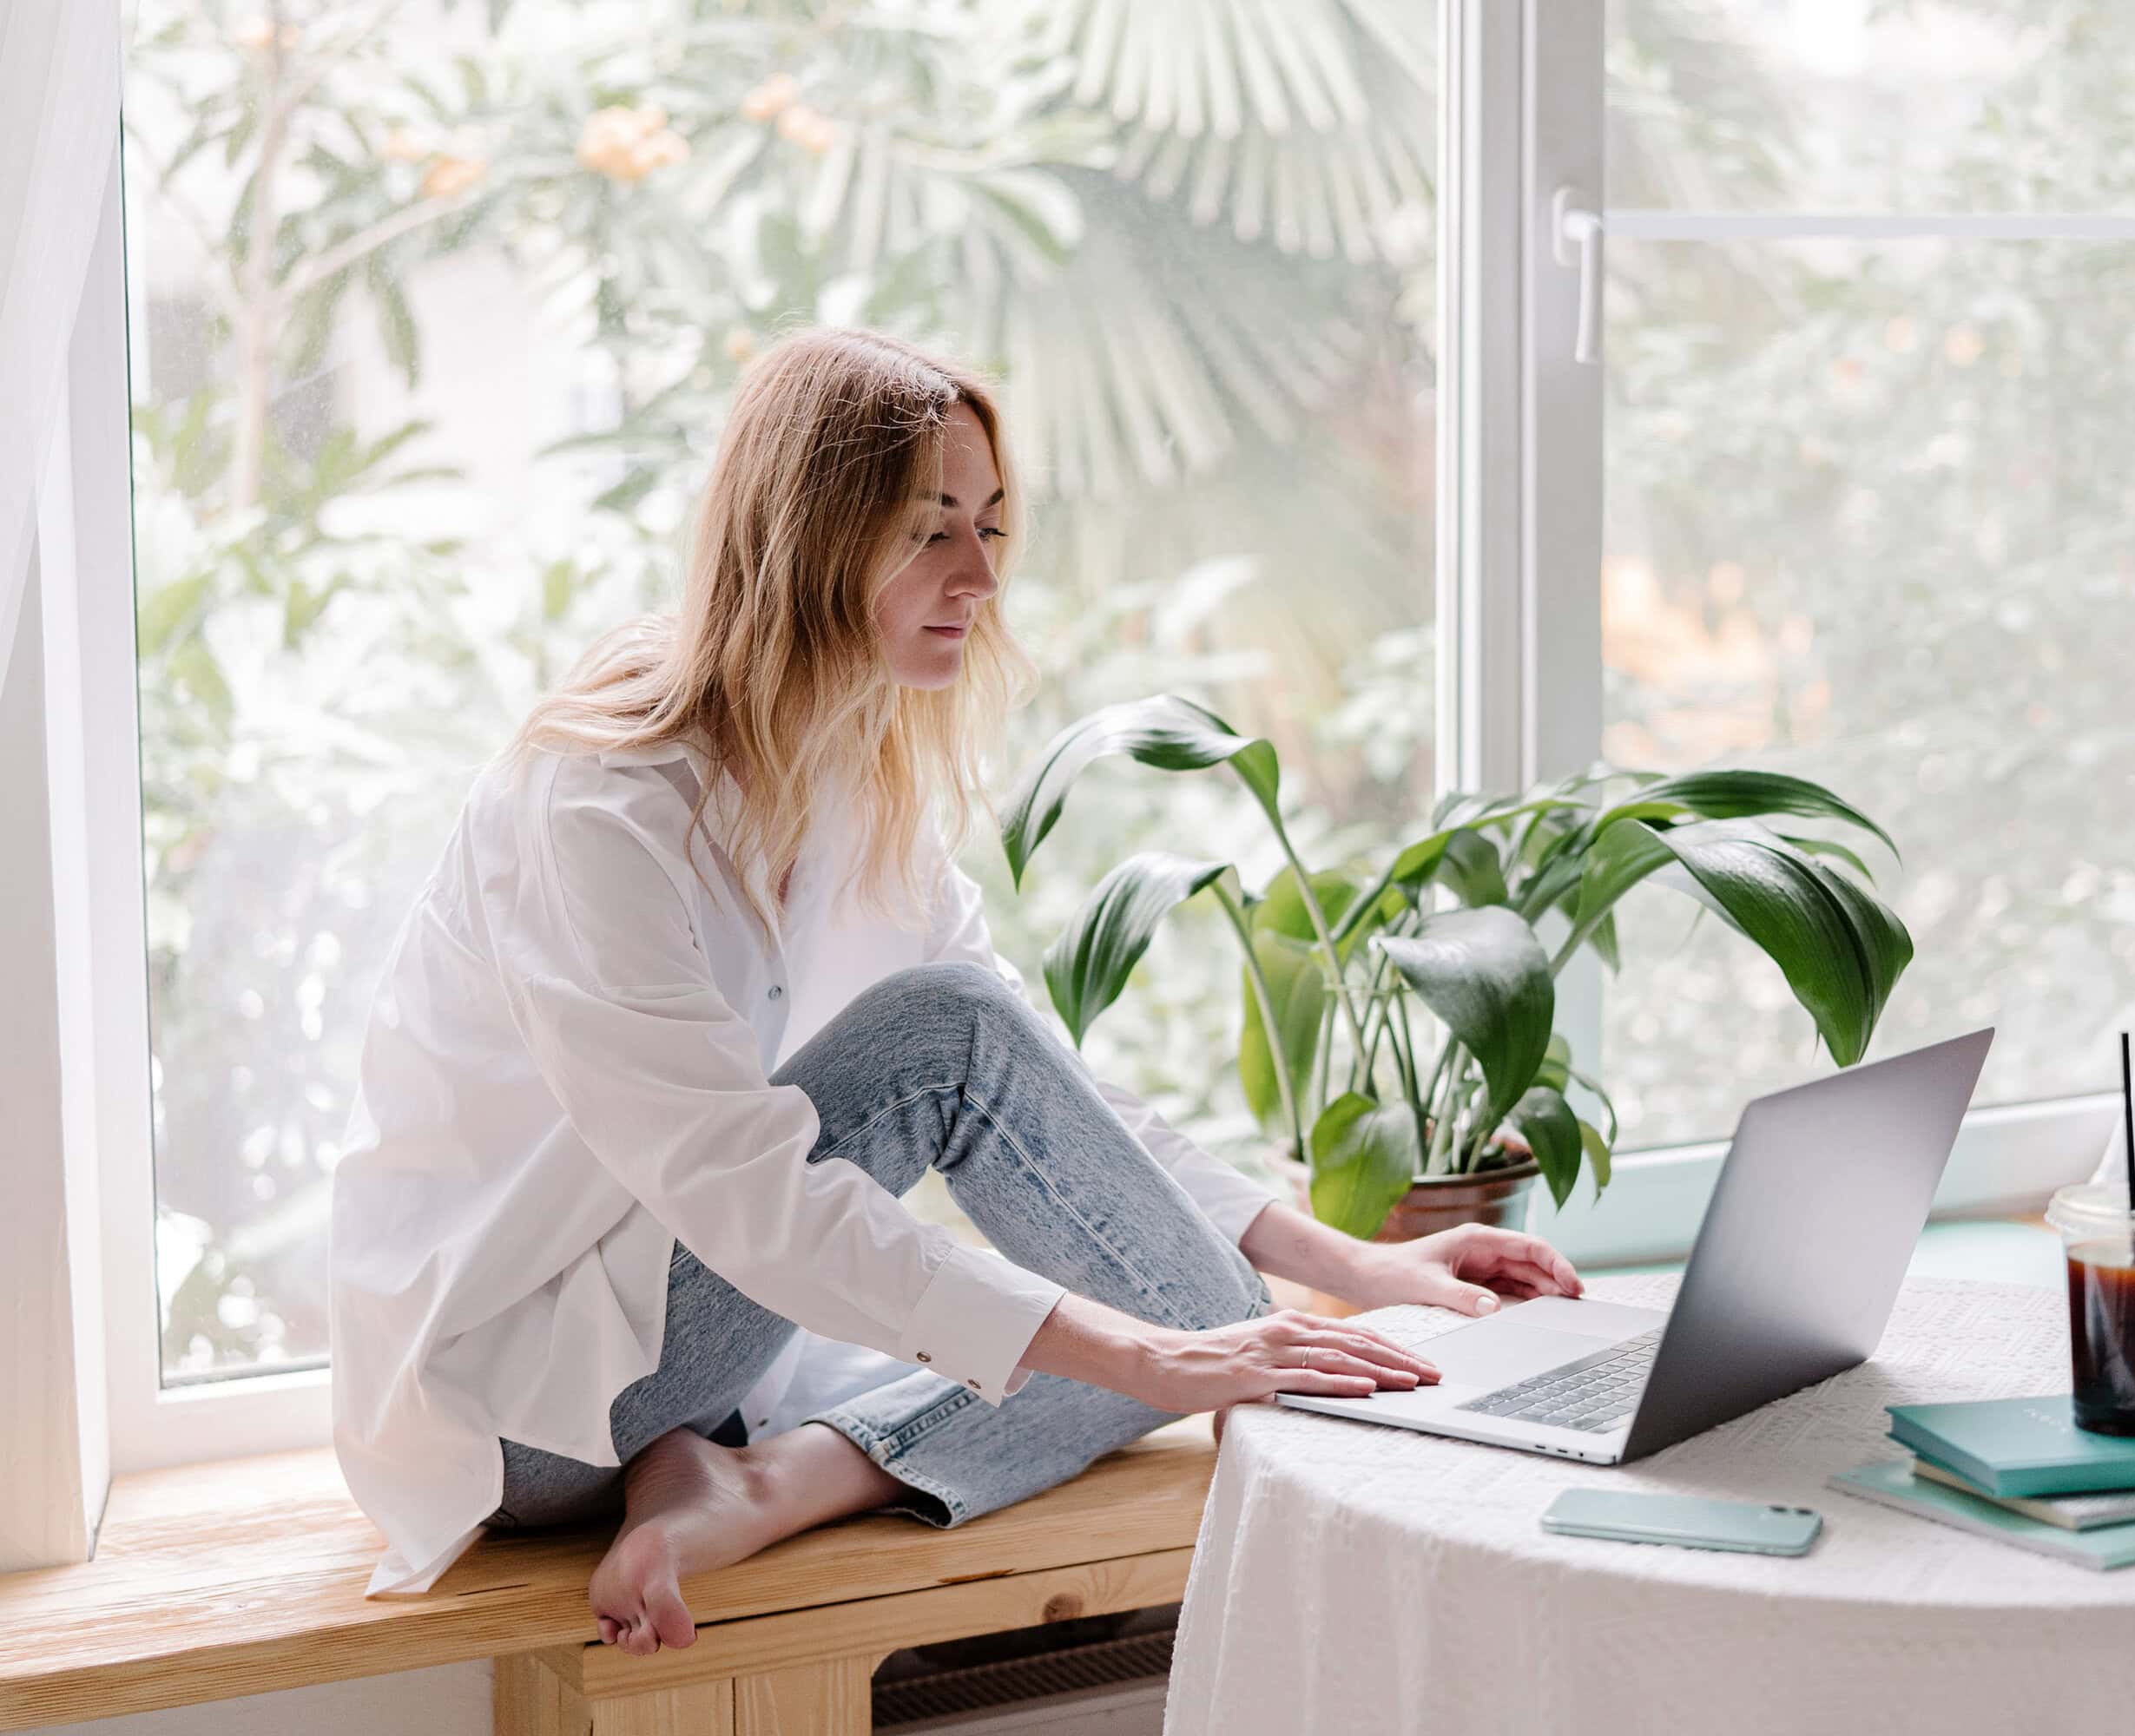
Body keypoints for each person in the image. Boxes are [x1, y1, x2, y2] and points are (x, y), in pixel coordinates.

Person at [326, 326, 1584, 1660]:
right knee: (1103, 1239)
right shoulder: (602, 799)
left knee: (1152, 1279)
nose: (981, 576)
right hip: (522, 1402)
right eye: (932, 531)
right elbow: (751, 1192)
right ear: (813, 536)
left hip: (694, 1358)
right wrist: (1170, 1352)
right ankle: (805, 1458)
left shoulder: (847, 761)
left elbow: (1050, 1094)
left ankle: (777, 1477)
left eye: (989, 526)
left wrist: (1353, 1265)